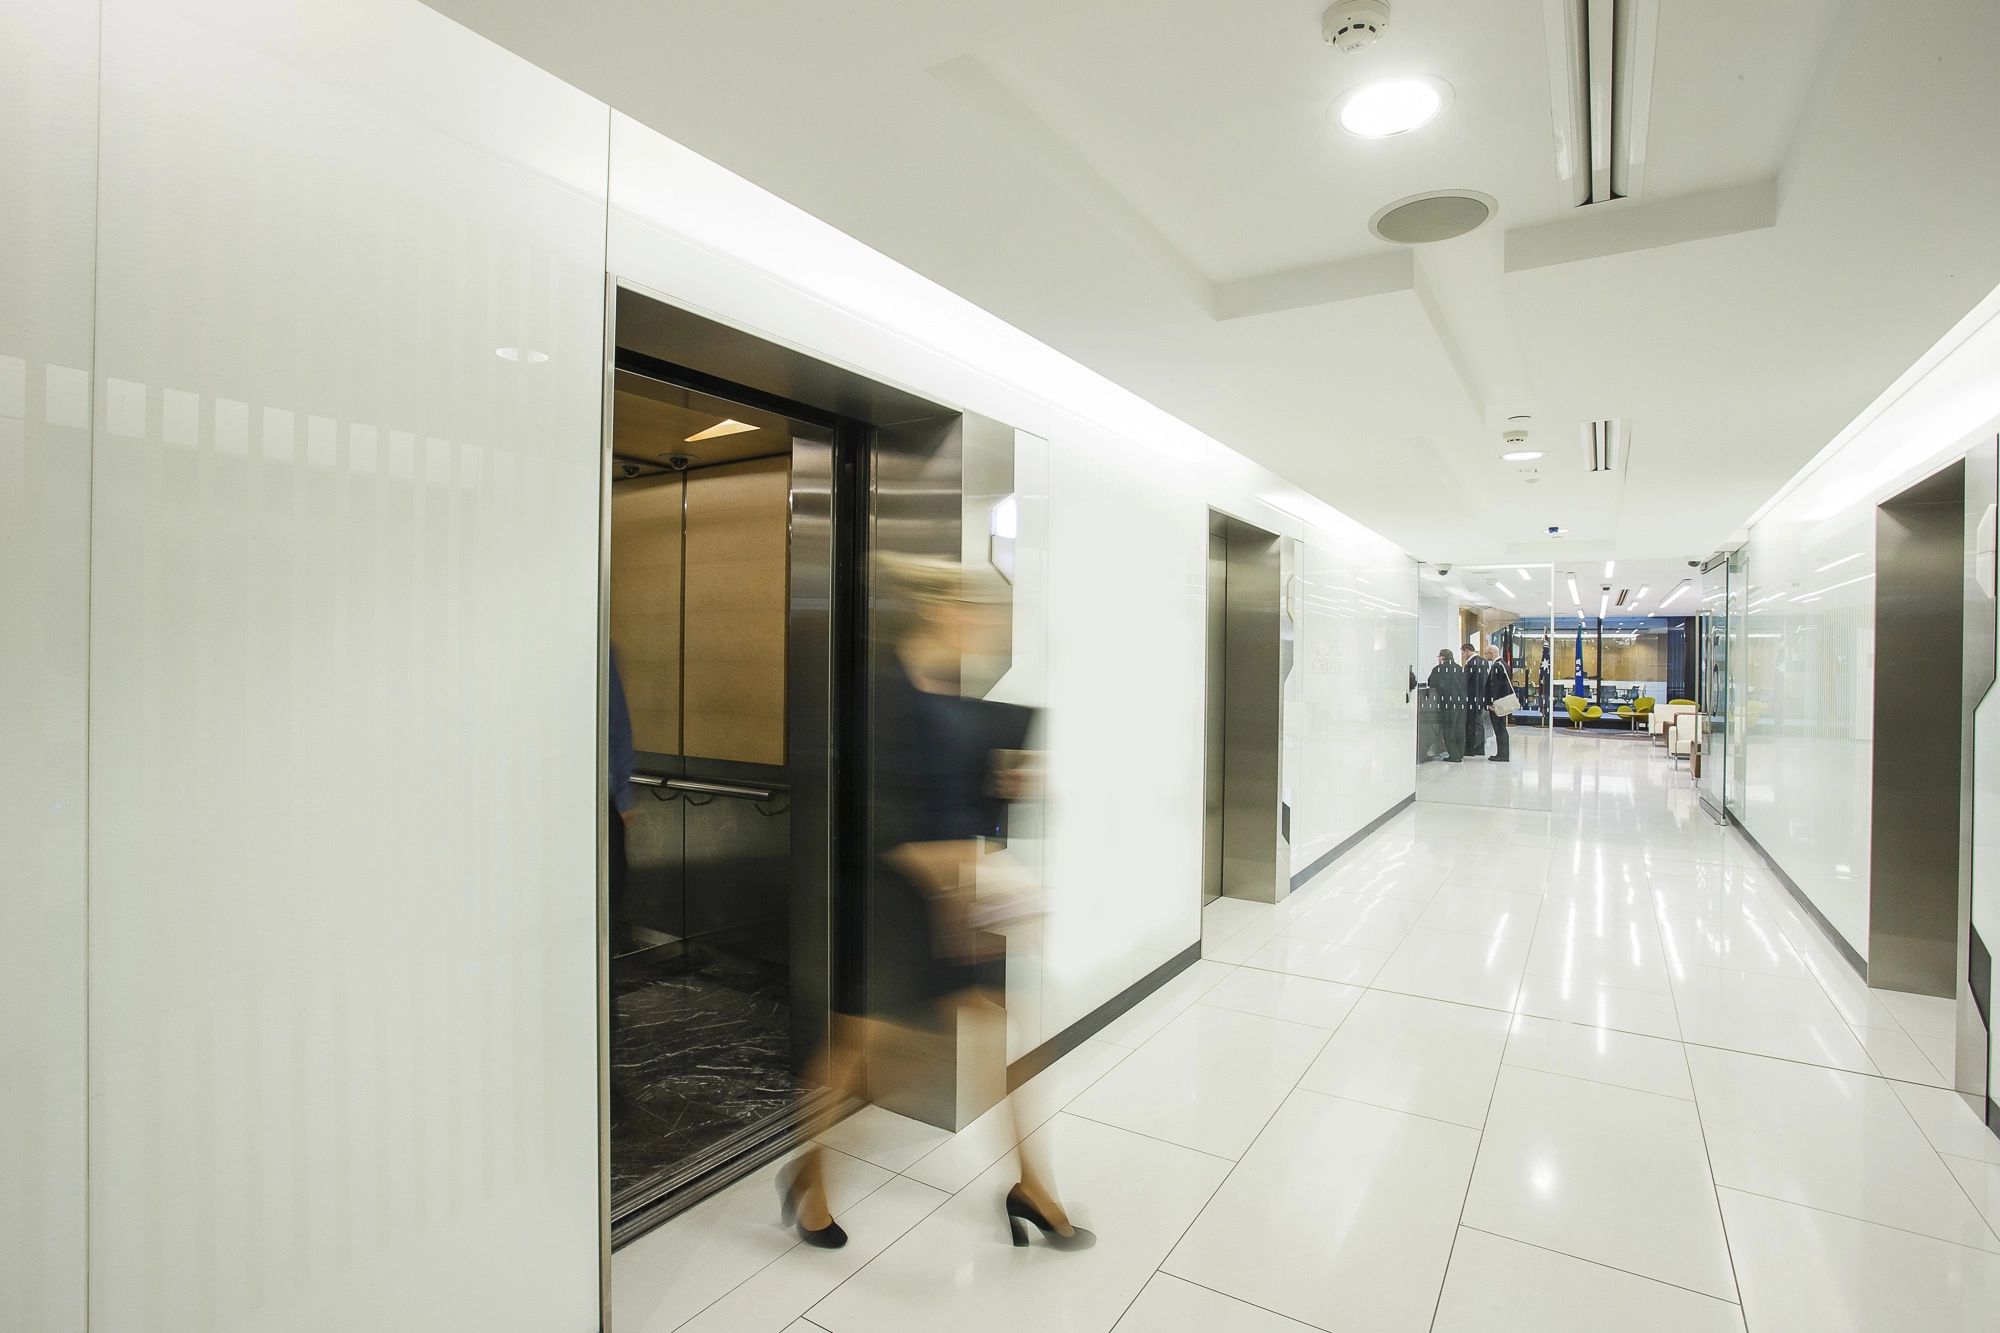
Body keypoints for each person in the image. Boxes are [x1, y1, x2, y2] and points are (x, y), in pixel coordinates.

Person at [779, 556, 1090, 1253]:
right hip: (892, 906)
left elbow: (959, 803)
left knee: (1009, 1034)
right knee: (856, 1048)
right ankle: (808, 1171)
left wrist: (1006, 786)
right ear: (943, 610)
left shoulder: (953, 691)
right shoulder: (881, 692)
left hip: (955, 902)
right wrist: (962, 887)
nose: (988, 629)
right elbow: (882, 818)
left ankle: (1032, 1184)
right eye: (980, 613)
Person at [1426, 648, 1466, 762]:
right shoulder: (1459, 668)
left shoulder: (1439, 669)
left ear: (1442, 657)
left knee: (1448, 729)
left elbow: (1431, 683)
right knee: (1459, 729)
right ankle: (1460, 753)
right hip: (1461, 703)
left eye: (1439, 656)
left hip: (1447, 703)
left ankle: (1453, 755)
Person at [1478, 643, 1515, 762]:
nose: (1485, 655)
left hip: (1498, 704)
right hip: (1499, 702)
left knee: (1500, 728)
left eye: (1486, 653)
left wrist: (1493, 702)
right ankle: (1501, 753)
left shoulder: (1498, 666)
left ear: (1491, 653)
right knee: (1499, 728)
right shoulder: (1500, 665)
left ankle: (1503, 755)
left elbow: (1497, 686)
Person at [1460, 643, 1484, 757]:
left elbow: (1464, 680)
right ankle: (1480, 748)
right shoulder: (1483, 661)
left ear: (1468, 651)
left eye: (1463, 652)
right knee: (1479, 724)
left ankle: (1470, 749)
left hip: (1471, 699)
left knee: (1471, 725)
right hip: (1480, 698)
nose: (1463, 655)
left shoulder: (1470, 664)